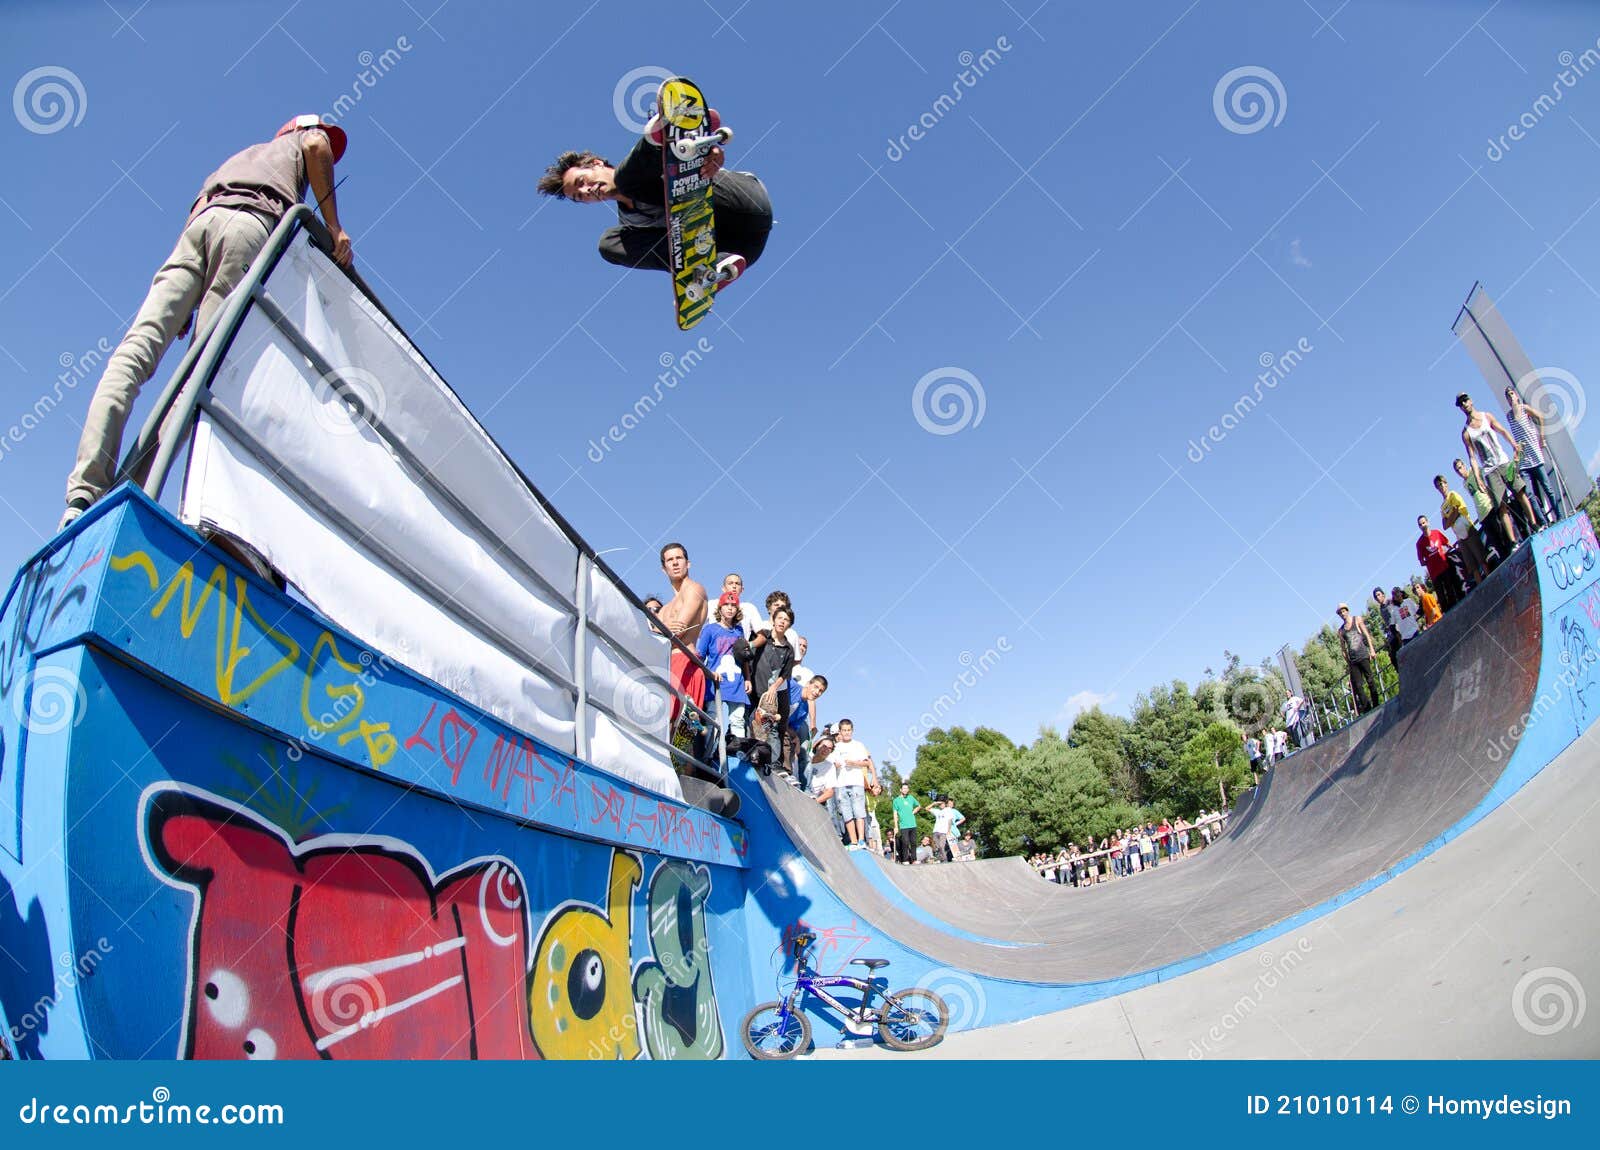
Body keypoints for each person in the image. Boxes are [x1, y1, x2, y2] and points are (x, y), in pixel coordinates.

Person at [61, 116, 354, 529]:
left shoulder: (239, 158)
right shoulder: (304, 141)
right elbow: (317, 147)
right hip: (250, 225)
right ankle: (129, 495)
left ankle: (84, 492)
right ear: (298, 130)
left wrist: (189, 305)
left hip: (198, 229)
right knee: (198, 376)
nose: (329, 159)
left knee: (135, 353)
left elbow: (200, 213)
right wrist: (334, 228)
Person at [536, 113, 773, 290]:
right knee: (607, 244)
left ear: (596, 163)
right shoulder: (632, 227)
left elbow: (712, 154)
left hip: (742, 201)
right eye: (581, 196)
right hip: (740, 249)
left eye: (582, 181)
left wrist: (708, 151)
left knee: (628, 180)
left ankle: (664, 134)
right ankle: (704, 269)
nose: (587, 190)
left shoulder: (637, 171)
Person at [1457, 393, 1538, 551]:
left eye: (1465, 400)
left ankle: (1534, 524)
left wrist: (1514, 444)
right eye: (1461, 404)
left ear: (1471, 401)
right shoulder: (1466, 433)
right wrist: (1478, 477)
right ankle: (1513, 542)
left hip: (1503, 461)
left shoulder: (1486, 416)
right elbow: (1472, 457)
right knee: (1501, 506)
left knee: (1520, 492)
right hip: (1490, 470)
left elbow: (1502, 430)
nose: (1464, 404)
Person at [656, 542, 708, 724]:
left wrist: (661, 630)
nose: (675, 563)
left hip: (686, 662)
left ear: (688, 563)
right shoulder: (665, 609)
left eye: (679, 558)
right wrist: (663, 630)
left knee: (680, 728)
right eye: (670, 560)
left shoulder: (694, 589)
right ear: (664, 569)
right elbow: (656, 637)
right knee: (661, 725)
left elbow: (678, 631)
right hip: (666, 665)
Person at [1503, 386, 1563, 526]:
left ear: (1516, 395)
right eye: (1508, 396)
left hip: (1535, 455)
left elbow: (1540, 417)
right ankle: (1543, 521)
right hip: (1523, 461)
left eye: (1512, 394)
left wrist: (1542, 438)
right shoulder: (1509, 416)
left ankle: (1559, 515)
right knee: (1529, 493)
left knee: (1547, 487)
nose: (1511, 397)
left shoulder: (1524, 409)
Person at [695, 591, 750, 738]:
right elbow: (699, 656)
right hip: (715, 680)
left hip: (736, 682)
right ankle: (711, 751)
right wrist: (707, 673)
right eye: (726, 604)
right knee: (713, 720)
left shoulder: (739, 631)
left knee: (738, 720)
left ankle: (738, 751)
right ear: (720, 608)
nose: (730, 608)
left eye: (733, 605)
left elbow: (744, 656)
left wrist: (747, 679)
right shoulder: (710, 629)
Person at [824, 718, 876, 849]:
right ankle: (853, 841)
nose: (847, 733)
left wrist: (854, 763)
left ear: (852, 731)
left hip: (856, 782)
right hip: (841, 784)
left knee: (859, 811)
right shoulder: (836, 747)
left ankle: (861, 840)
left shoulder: (858, 745)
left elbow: (867, 763)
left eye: (849, 730)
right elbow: (829, 762)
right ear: (840, 732)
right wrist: (835, 764)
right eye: (844, 730)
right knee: (846, 813)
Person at [1436, 474, 1491, 588]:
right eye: (1438, 486)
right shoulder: (1442, 507)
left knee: (1481, 558)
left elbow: (1458, 510)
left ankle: (1491, 578)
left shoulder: (1453, 495)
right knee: (1471, 565)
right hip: (1459, 536)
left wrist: (1450, 518)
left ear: (1446, 484)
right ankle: (1481, 587)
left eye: (1442, 484)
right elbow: (1445, 525)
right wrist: (1452, 517)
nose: (1441, 487)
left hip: (1468, 528)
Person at [1337, 603, 1380, 714]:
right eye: (1340, 613)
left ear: (1347, 611)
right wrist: (1348, 662)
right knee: (1358, 686)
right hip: (1353, 660)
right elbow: (1343, 649)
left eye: (1343, 611)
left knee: (1370, 680)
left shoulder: (1357, 620)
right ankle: (1367, 708)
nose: (1342, 614)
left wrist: (1371, 649)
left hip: (1363, 655)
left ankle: (1376, 703)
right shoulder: (1341, 631)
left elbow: (1366, 634)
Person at [784, 673, 828, 786]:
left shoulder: (804, 709)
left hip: (782, 727)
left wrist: (796, 738)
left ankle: (791, 776)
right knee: (785, 738)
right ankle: (784, 771)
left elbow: (791, 727)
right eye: (816, 687)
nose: (817, 692)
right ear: (808, 684)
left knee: (794, 744)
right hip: (769, 717)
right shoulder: (793, 686)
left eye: (821, 691)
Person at [1416, 515, 1464, 612]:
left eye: (1424, 523)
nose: (1423, 525)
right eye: (1420, 524)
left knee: (1450, 589)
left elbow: (1447, 543)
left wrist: (1454, 550)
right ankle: (1447, 613)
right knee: (1441, 596)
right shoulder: (1419, 543)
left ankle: (1458, 608)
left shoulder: (1436, 533)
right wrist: (1430, 561)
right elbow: (1421, 561)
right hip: (1434, 573)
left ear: (1428, 522)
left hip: (1444, 567)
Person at [891, 783, 921, 864]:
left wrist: (914, 811)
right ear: (900, 790)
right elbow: (895, 814)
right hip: (903, 825)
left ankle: (914, 859)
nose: (905, 790)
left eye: (907, 788)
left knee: (913, 842)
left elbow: (919, 806)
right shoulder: (896, 800)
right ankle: (905, 860)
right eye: (904, 788)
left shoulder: (911, 797)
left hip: (913, 824)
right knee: (905, 843)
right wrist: (896, 826)